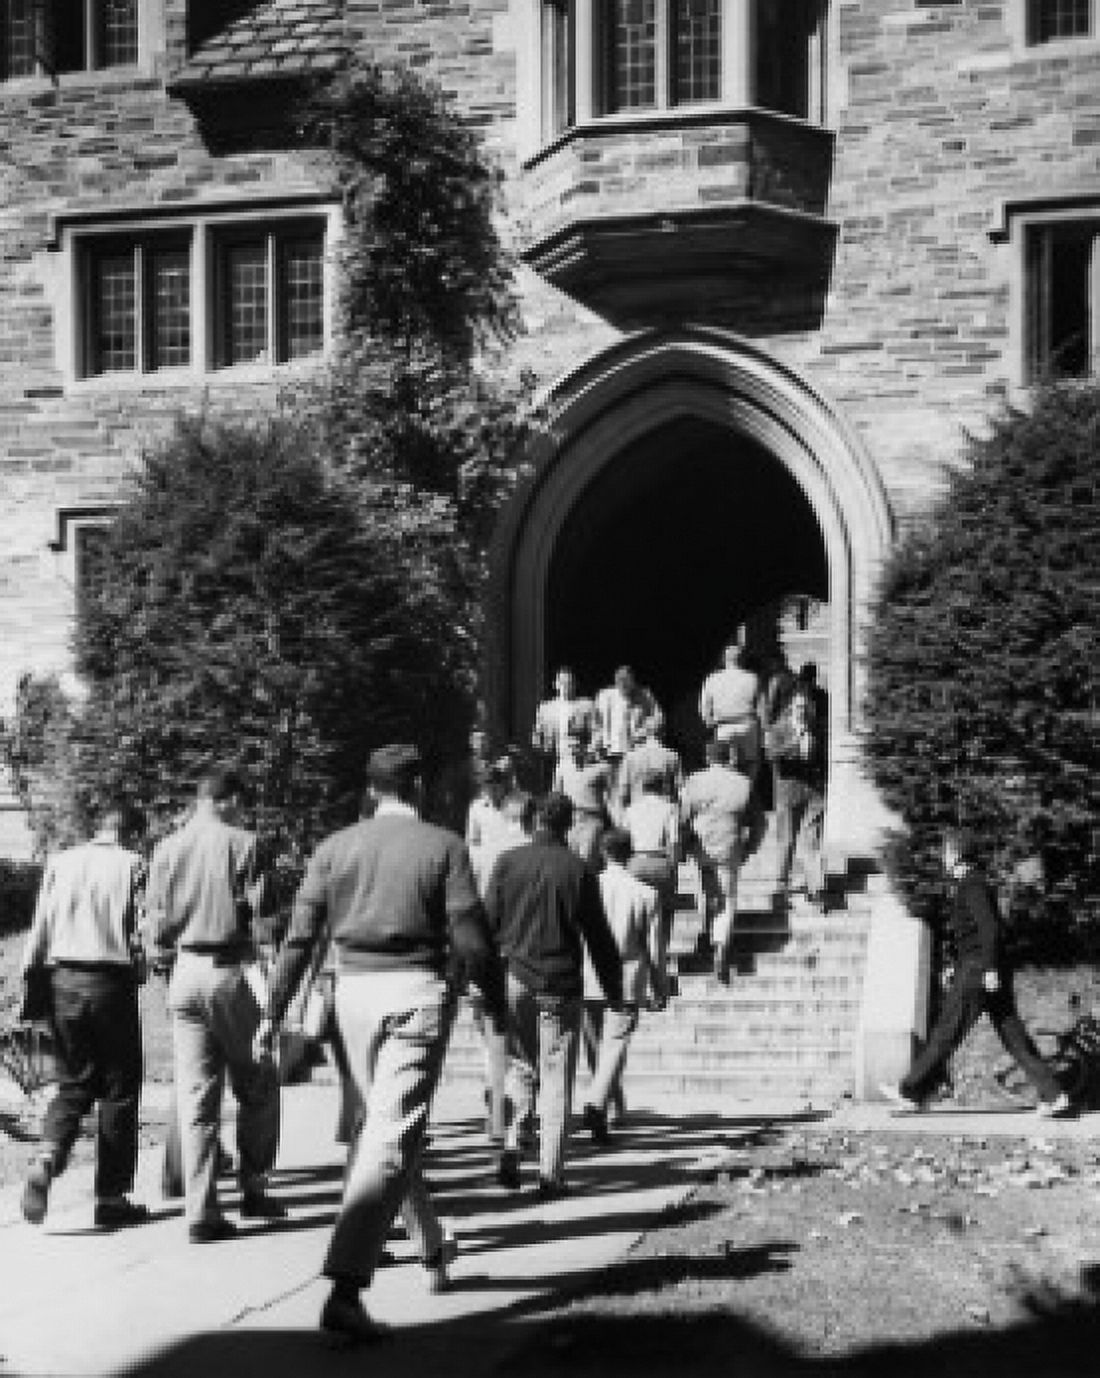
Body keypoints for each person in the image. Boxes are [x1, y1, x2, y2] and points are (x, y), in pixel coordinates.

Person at [260, 744, 507, 1344]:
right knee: (392, 1132)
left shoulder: (333, 848)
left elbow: (298, 939)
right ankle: (346, 1288)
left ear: (371, 790)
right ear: (417, 786)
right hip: (414, 991)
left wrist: (275, 1010)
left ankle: (431, 1247)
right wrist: (496, 1003)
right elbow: (472, 936)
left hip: (351, 993)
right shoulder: (443, 846)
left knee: (385, 1128)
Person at [146, 768, 282, 1243]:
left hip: (184, 973)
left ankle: (200, 1209)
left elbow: (156, 926)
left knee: (196, 1097)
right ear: (227, 801)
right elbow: (261, 918)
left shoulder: (166, 848)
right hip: (230, 970)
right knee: (259, 1080)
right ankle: (255, 1186)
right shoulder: (246, 843)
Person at [485, 792, 622, 1198]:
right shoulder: (577, 870)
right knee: (557, 1076)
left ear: (533, 822)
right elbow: (599, 938)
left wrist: (478, 977)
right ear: (570, 826)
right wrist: (613, 990)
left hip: (516, 980)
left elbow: (488, 922)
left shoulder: (508, 863)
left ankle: (512, 1142)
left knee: (521, 1067)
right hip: (560, 985)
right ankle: (550, 1172)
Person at [19, 802, 149, 1229]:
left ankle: (47, 1155)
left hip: (63, 982)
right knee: (119, 1088)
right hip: (110, 983)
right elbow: (141, 930)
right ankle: (111, 1196)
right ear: (130, 833)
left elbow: (40, 928)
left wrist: (31, 991)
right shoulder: (134, 865)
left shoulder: (61, 862)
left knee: (74, 1080)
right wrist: (144, 967)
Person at [881, 827, 1071, 1118]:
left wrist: (990, 968)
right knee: (1014, 1038)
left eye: (945, 852)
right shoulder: (970, 884)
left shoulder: (972, 884)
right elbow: (974, 932)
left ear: (956, 854)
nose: (942, 858)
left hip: (979, 970)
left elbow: (990, 929)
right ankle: (1053, 1095)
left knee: (947, 1031)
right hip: (980, 967)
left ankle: (910, 1092)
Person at [581, 829, 667, 1145]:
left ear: (603, 852)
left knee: (596, 1051)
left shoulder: (589, 888)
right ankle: (599, 1103)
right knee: (614, 1045)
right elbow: (654, 948)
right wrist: (661, 985)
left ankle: (606, 1108)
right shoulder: (646, 894)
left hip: (588, 976)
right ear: (630, 854)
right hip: (626, 977)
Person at [680, 740, 762, 984]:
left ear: (708, 757)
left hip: (702, 843)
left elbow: (683, 816)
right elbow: (759, 822)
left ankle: (706, 932)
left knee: (706, 892)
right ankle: (721, 943)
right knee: (727, 899)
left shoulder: (694, 782)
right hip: (729, 844)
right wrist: (750, 846)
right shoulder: (743, 783)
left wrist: (684, 845)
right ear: (729, 757)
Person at [768, 661, 827, 903]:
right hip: (788, 790)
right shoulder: (778, 729)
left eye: (805, 707)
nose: (802, 711)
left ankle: (817, 889)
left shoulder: (815, 729)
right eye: (798, 707)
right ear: (790, 707)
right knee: (787, 840)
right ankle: (780, 886)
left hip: (813, 792)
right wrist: (797, 741)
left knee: (811, 841)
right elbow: (773, 754)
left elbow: (821, 756)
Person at [623, 766, 681, 965]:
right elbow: (673, 841)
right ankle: (660, 953)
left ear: (642, 786)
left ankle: (639, 955)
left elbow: (625, 840)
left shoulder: (630, 810)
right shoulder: (670, 808)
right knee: (664, 911)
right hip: (659, 861)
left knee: (637, 914)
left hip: (636, 862)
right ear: (662, 786)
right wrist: (673, 868)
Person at [594, 666, 663, 807]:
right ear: (615, 682)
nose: (624, 686)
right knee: (612, 786)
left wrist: (643, 732)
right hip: (611, 751)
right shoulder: (605, 696)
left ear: (633, 682)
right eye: (620, 682)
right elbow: (596, 723)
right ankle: (614, 817)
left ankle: (632, 814)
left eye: (627, 682)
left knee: (633, 784)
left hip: (634, 750)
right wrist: (598, 742)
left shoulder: (645, 695)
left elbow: (658, 719)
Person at [699, 641, 763, 781]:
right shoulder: (752, 678)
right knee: (749, 769)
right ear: (742, 659)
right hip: (747, 727)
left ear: (724, 659)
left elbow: (704, 709)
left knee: (722, 769)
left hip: (723, 728)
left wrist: (710, 724)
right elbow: (761, 709)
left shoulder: (712, 679)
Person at [553, 733, 613, 867]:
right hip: (569, 821)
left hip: (592, 820)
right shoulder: (562, 767)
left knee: (588, 863)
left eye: (576, 747)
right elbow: (556, 796)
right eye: (570, 747)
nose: (573, 751)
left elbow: (611, 799)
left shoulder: (602, 768)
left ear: (586, 746)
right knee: (567, 862)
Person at [532, 667, 596, 783]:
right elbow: (537, 736)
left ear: (574, 685)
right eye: (562, 683)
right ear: (555, 685)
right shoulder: (546, 709)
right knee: (556, 796)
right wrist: (541, 747)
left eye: (569, 683)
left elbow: (596, 733)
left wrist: (588, 753)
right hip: (555, 761)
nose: (566, 686)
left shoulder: (586, 706)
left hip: (579, 761)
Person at [618, 719, 682, 813]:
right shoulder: (672, 757)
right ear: (663, 733)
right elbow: (678, 792)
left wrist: (626, 815)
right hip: (664, 811)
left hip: (637, 811)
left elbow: (623, 793)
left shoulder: (630, 758)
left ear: (646, 733)